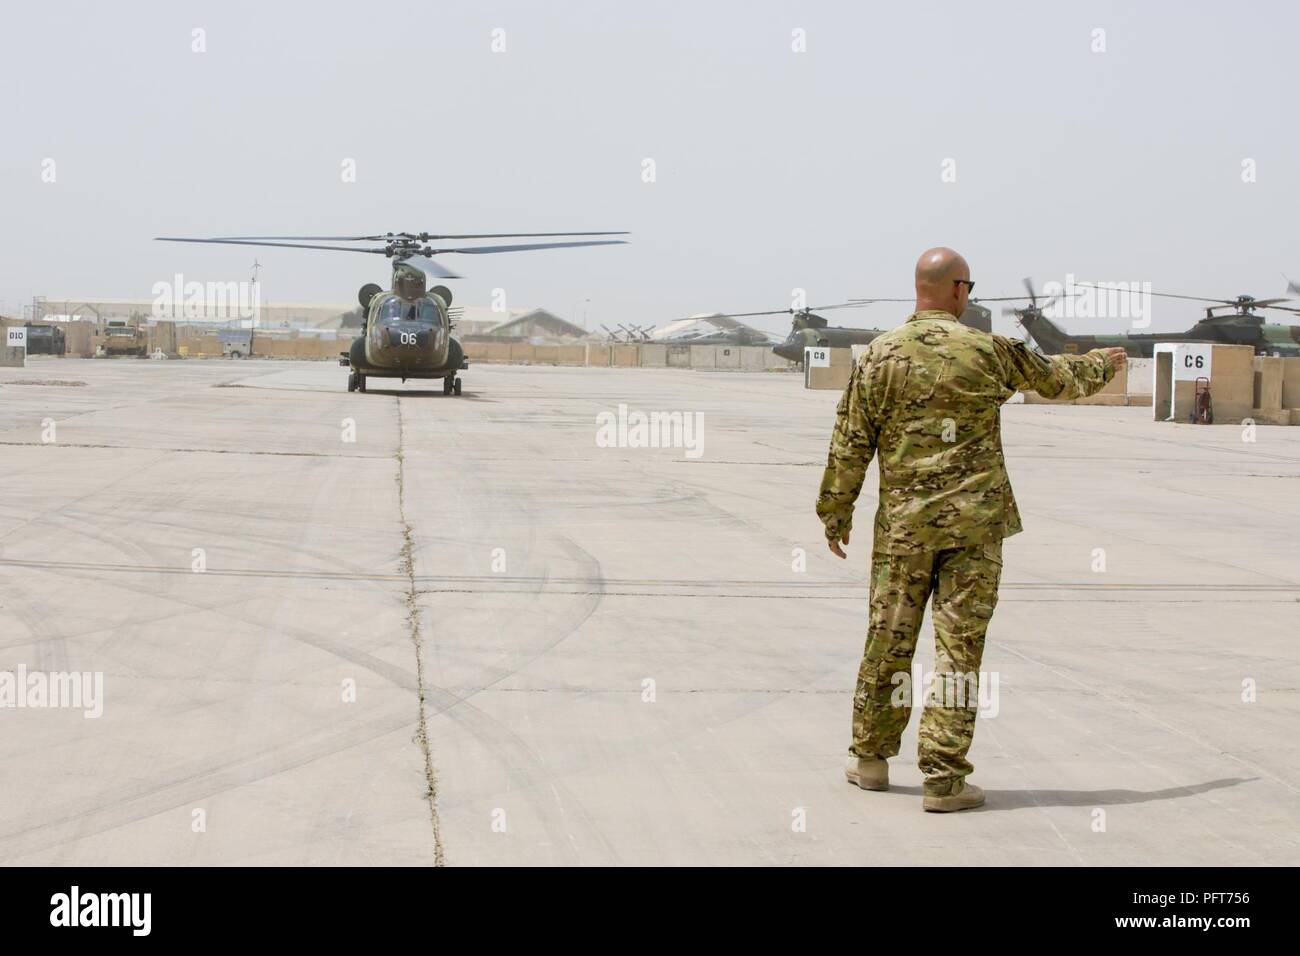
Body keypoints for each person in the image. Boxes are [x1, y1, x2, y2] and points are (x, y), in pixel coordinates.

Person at [815, 247, 1128, 812]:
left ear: (919, 289)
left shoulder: (879, 354)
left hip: (902, 534)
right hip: (973, 531)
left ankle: (870, 759)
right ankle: (943, 778)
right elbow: (1059, 381)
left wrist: (835, 512)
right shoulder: (990, 350)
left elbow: (850, 440)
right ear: (959, 289)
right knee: (958, 650)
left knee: (887, 642)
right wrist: (1105, 362)